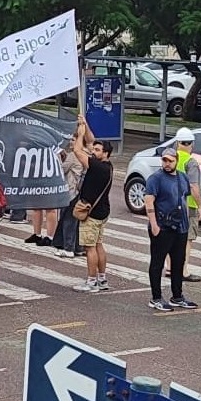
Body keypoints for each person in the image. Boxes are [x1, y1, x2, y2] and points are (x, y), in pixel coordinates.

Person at [144, 149, 199, 311]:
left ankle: (177, 296)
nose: (167, 164)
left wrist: (191, 216)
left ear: (176, 160)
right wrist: (154, 224)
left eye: (170, 161)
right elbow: (149, 201)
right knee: (157, 262)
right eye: (164, 160)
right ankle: (156, 298)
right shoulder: (155, 179)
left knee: (178, 262)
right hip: (163, 227)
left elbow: (184, 197)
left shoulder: (182, 177)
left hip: (180, 227)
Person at [71, 118, 114, 292]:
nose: (94, 151)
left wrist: (80, 134)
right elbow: (91, 141)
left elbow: (77, 150)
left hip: (92, 213)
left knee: (90, 248)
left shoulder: (97, 167)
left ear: (106, 153)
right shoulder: (107, 166)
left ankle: (91, 281)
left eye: (97, 150)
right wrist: (85, 124)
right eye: (94, 149)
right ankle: (102, 279)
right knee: (98, 245)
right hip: (102, 211)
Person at [171, 128, 201, 283]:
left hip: (170, 203)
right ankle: (183, 270)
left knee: (170, 237)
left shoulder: (171, 159)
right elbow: (194, 187)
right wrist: (200, 207)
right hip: (187, 206)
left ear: (177, 143)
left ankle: (170, 268)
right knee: (187, 239)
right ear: (191, 144)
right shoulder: (191, 162)